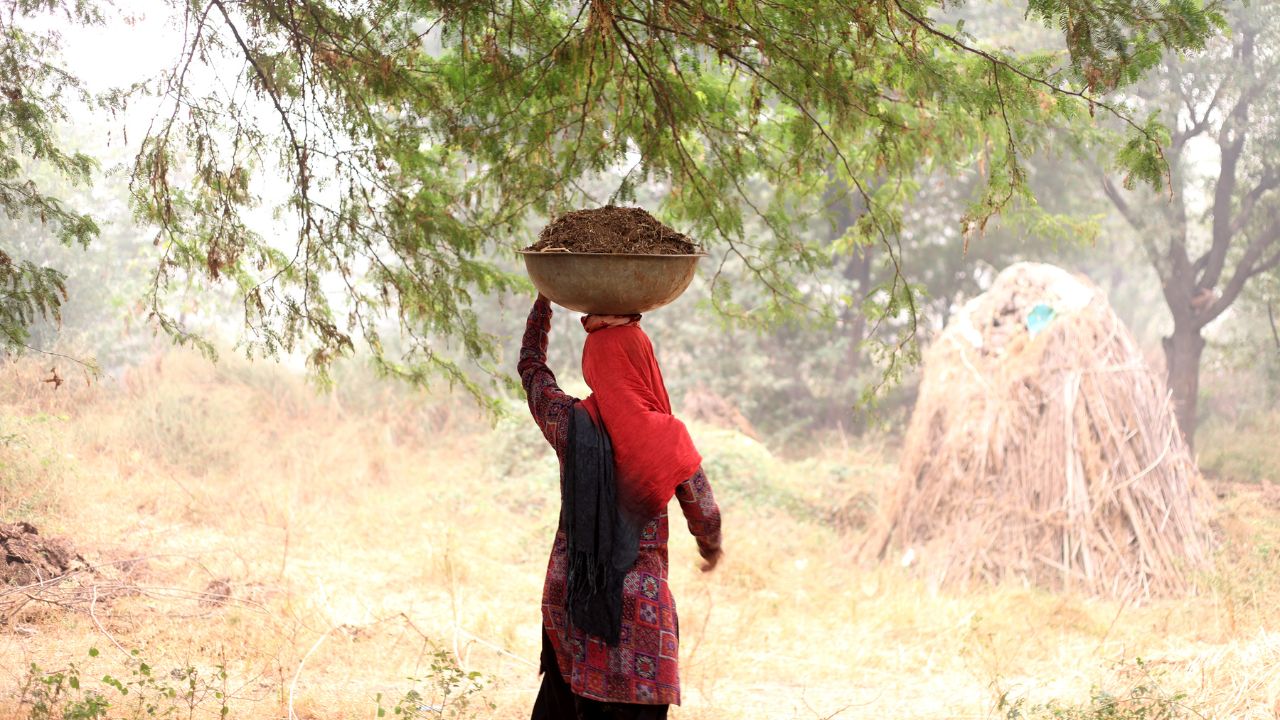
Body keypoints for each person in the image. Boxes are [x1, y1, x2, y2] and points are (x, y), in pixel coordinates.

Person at [519, 294, 723, 720]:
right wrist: (710, 549)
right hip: (643, 614)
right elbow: (704, 512)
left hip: (575, 603)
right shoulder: (670, 437)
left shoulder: (569, 422)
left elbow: (532, 371)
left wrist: (543, 306)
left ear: (591, 365)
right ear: (644, 364)